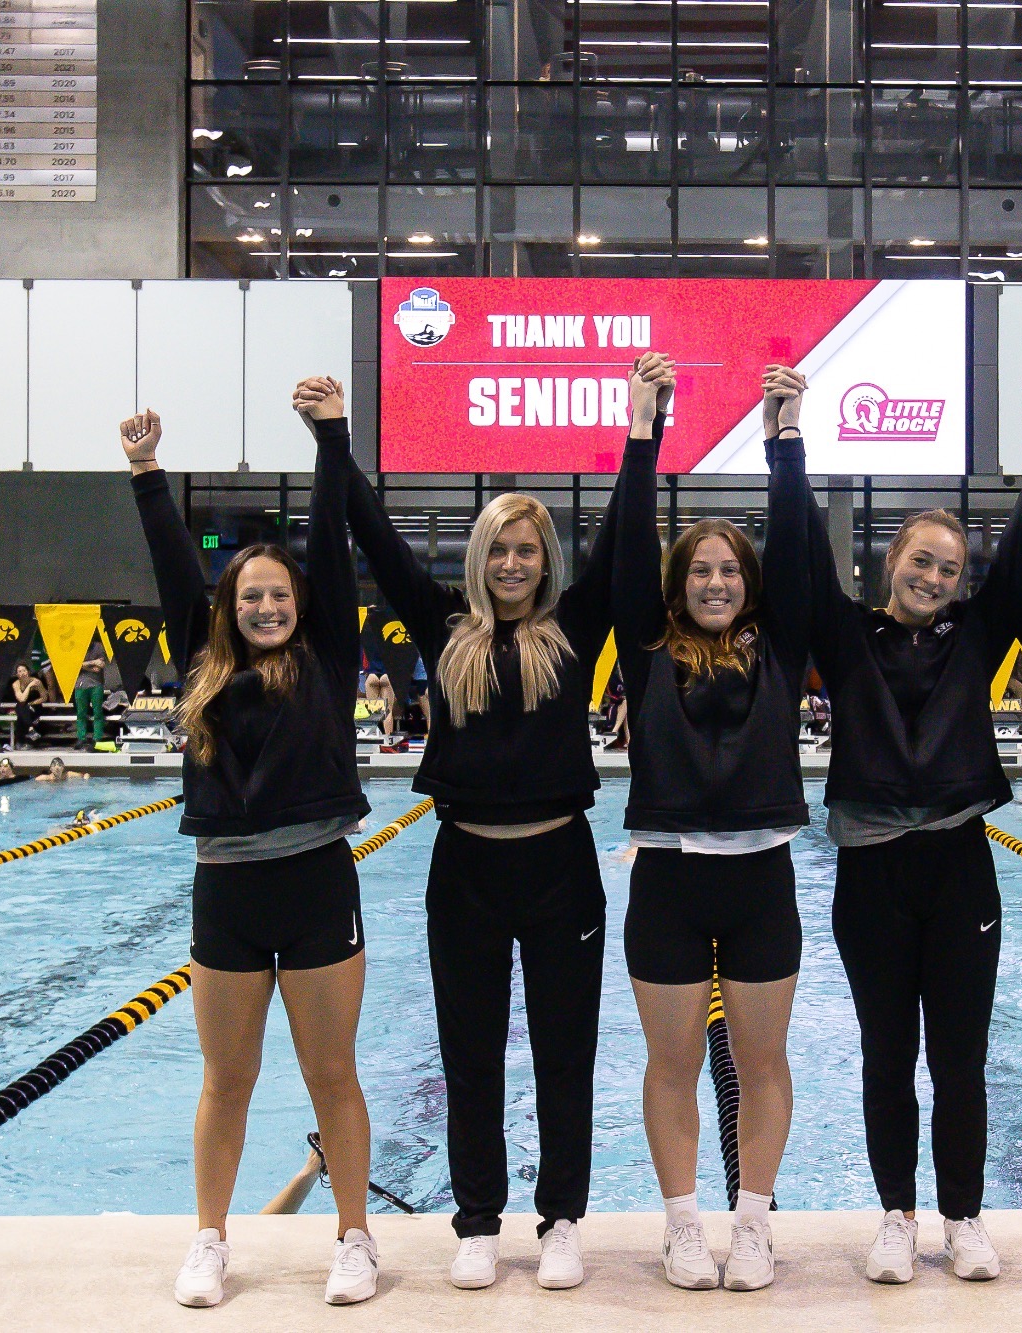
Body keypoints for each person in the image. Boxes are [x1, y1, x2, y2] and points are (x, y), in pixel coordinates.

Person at [332, 360, 650, 1294]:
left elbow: (625, 532)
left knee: (564, 1055)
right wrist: (334, 438)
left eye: (528, 550)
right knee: (468, 1055)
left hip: (560, 866)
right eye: (500, 549)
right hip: (465, 868)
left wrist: (643, 427)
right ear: (479, 557)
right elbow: (375, 535)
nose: (514, 564)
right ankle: (477, 1221)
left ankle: (561, 1219)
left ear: (546, 560)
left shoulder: (575, 627)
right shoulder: (444, 629)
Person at [789, 366, 1022, 1285]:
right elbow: (800, 554)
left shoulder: (976, 635)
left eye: (950, 569)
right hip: (872, 874)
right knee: (887, 1054)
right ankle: (896, 1216)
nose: (935, 578)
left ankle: (964, 1216)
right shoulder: (846, 637)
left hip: (959, 868)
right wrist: (788, 441)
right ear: (891, 561)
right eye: (922, 561)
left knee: (961, 1058)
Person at [122, 379, 380, 1310]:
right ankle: (209, 1239)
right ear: (228, 605)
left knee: (331, 1074)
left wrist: (331, 438)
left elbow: (332, 537)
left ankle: (354, 1236)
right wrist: (148, 473)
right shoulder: (202, 660)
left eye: (279, 594)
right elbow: (171, 566)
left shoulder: (328, 653)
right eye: (250, 595)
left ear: (299, 602)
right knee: (226, 1078)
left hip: (316, 882)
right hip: (227, 890)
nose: (267, 606)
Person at [613, 360, 813, 1293]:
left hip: (761, 875)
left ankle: (756, 1222)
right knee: (673, 1062)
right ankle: (684, 1225)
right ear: (676, 582)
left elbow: (798, 551)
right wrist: (643, 430)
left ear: (750, 582)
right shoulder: (647, 646)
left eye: (731, 568)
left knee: (762, 1059)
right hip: (668, 878)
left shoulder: (781, 648)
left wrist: (785, 440)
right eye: (700, 568)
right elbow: (627, 545)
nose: (716, 581)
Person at [73, 643, 107, 750]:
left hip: (96, 683)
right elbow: (74, 664)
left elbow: (100, 666)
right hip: (80, 684)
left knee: (98, 712)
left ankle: (97, 737)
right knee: (81, 712)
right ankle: (81, 737)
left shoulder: (98, 646)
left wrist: (83, 665)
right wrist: (93, 662)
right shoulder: (77, 646)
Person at [10, 663, 45, 748]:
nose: (22, 673)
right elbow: (22, 699)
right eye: (19, 671)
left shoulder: (37, 682)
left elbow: (44, 697)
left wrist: (32, 703)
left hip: (35, 706)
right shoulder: (16, 684)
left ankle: (20, 741)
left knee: (21, 711)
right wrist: (29, 686)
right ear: (17, 674)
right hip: (23, 707)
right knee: (22, 708)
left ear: (28, 672)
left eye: (24, 670)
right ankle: (30, 729)